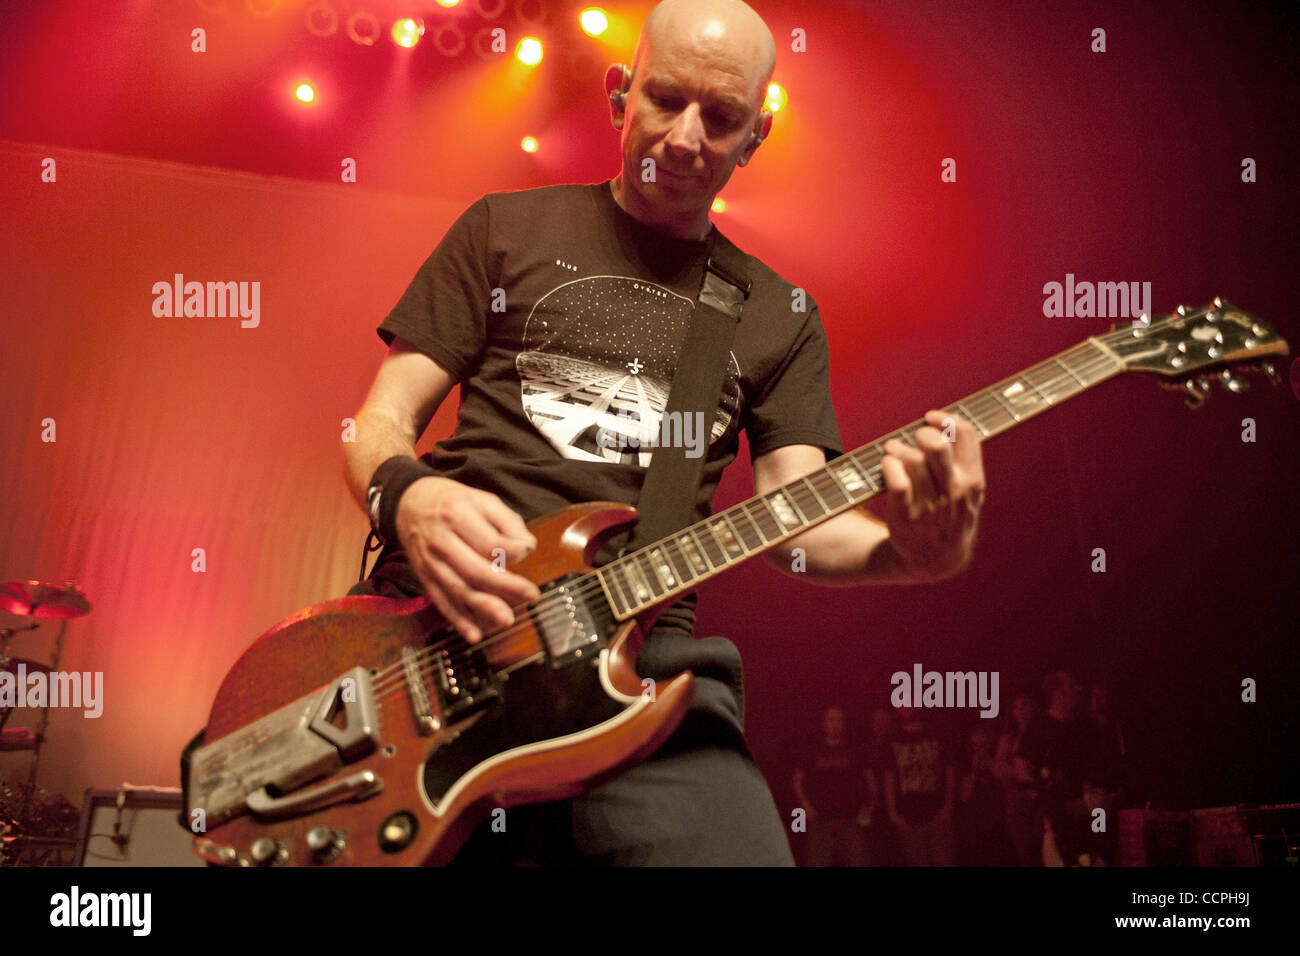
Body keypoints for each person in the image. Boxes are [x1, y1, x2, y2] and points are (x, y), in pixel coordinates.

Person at [342, 0, 987, 866]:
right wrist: (410, 497)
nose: (685, 138)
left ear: (756, 136)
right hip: (442, 630)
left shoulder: (776, 312)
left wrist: (912, 554)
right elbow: (378, 422)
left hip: (640, 666)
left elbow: (798, 527)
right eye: (665, 100)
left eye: (720, 118)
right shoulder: (504, 227)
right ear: (620, 94)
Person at [792, 706, 873, 866]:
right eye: (831, 719)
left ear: (844, 724)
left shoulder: (855, 749)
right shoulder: (812, 750)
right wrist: (805, 805)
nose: (835, 723)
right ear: (824, 724)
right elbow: (797, 779)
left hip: (850, 820)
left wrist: (869, 804)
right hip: (820, 820)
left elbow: (869, 778)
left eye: (839, 719)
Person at [884, 705, 956, 865]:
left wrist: (949, 806)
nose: (905, 707)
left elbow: (949, 770)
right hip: (908, 818)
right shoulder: (893, 738)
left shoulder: (936, 733)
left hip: (937, 814)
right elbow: (889, 776)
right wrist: (892, 812)